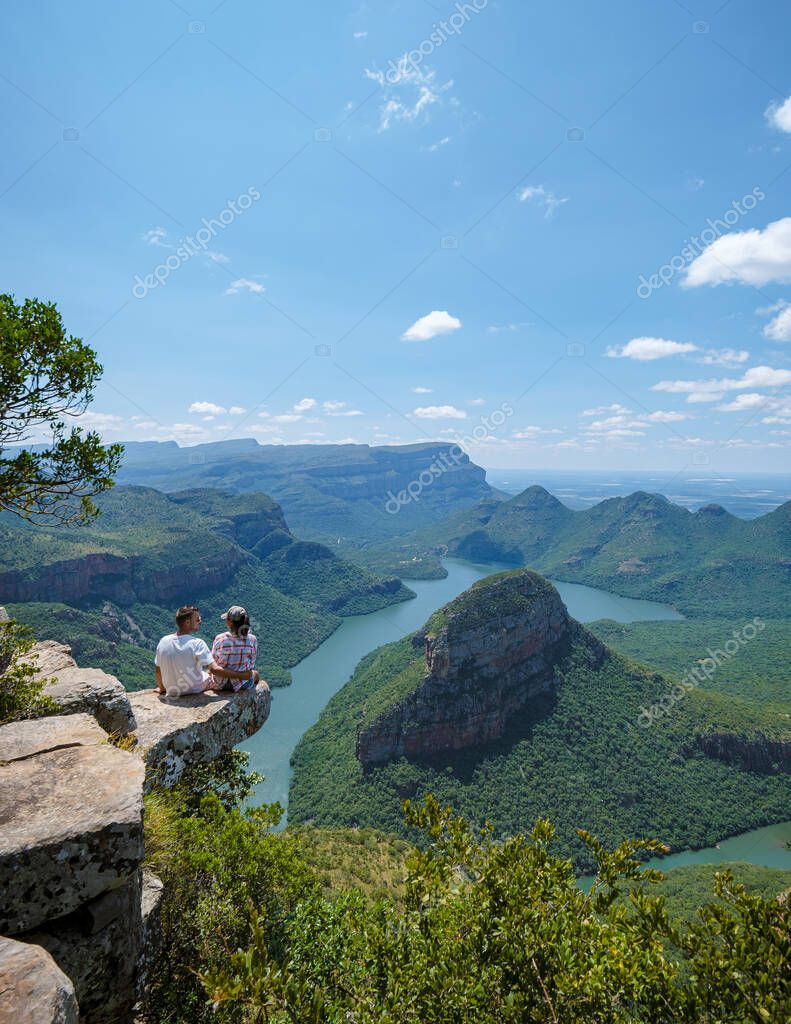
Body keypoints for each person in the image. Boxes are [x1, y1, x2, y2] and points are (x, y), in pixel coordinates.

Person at [154, 605, 257, 697]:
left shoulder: (163, 641)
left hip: (171, 690)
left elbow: (158, 670)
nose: (200, 621)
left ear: (229, 622)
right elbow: (214, 669)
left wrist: (163, 688)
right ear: (187, 622)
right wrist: (242, 675)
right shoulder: (197, 643)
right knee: (254, 674)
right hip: (195, 689)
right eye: (197, 619)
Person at [207, 606, 260, 692]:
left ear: (230, 622)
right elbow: (251, 665)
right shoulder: (252, 639)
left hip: (220, 684)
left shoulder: (220, 638)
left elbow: (213, 663)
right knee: (256, 674)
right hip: (243, 684)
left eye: (227, 619)